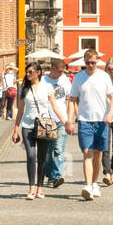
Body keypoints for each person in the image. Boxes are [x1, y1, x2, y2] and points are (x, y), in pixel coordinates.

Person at [13, 65, 69, 199]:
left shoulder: (47, 87)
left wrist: (65, 122)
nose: (28, 74)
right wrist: (15, 130)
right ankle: (31, 187)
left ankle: (40, 187)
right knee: (31, 156)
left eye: (30, 72)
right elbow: (20, 111)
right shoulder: (24, 89)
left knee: (42, 157)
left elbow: (54, 106)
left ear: (38, 73)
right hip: (27, 125)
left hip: (44, 126)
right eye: (27, 72)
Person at [69, 49, 113, 200]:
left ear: (98, 62)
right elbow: (72, 99)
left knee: (98, 154)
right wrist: (70, 120)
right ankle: (88, 185)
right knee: (87, 153)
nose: (90, 65)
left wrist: (110, 114)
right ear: (84, 62)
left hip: (102, 120)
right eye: (88, 62)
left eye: (93, 62)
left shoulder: (104, 77)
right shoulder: (78, 78)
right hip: (84, 120)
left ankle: (95, 183)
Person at [42, 58, 73, 187]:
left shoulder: (65, 81)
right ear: (52, 68)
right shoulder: (43, 80)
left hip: (61, 120)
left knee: (58, 149)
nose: (61, 74)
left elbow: (71, 100)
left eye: (62, 72)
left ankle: (56, 176)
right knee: (47, 151)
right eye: (59, 71)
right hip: (46, 121)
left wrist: (69, 120)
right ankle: (49, 175)